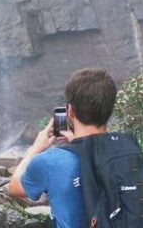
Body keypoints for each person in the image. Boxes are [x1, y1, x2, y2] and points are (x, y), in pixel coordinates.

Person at [7, 68, 118, 228]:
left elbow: (14, 187)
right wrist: (78, 143)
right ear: (111, 108)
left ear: (70, 111)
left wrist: (36, 148)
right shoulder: (128, 151)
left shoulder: (51, 161)